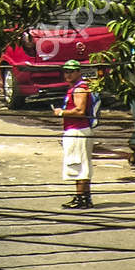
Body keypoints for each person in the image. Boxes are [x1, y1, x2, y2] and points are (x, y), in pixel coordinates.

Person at [54, 59, 94, 208]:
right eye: (66, 71)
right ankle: (84, 198)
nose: (68, 74)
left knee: (79, 164)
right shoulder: (76, 88)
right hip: (76, 130)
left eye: (71, 72)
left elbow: (80, 111)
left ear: (79, 72)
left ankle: (81, 199)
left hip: (78, 130)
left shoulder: (79, 89)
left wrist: (61, 112)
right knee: (81, 164)